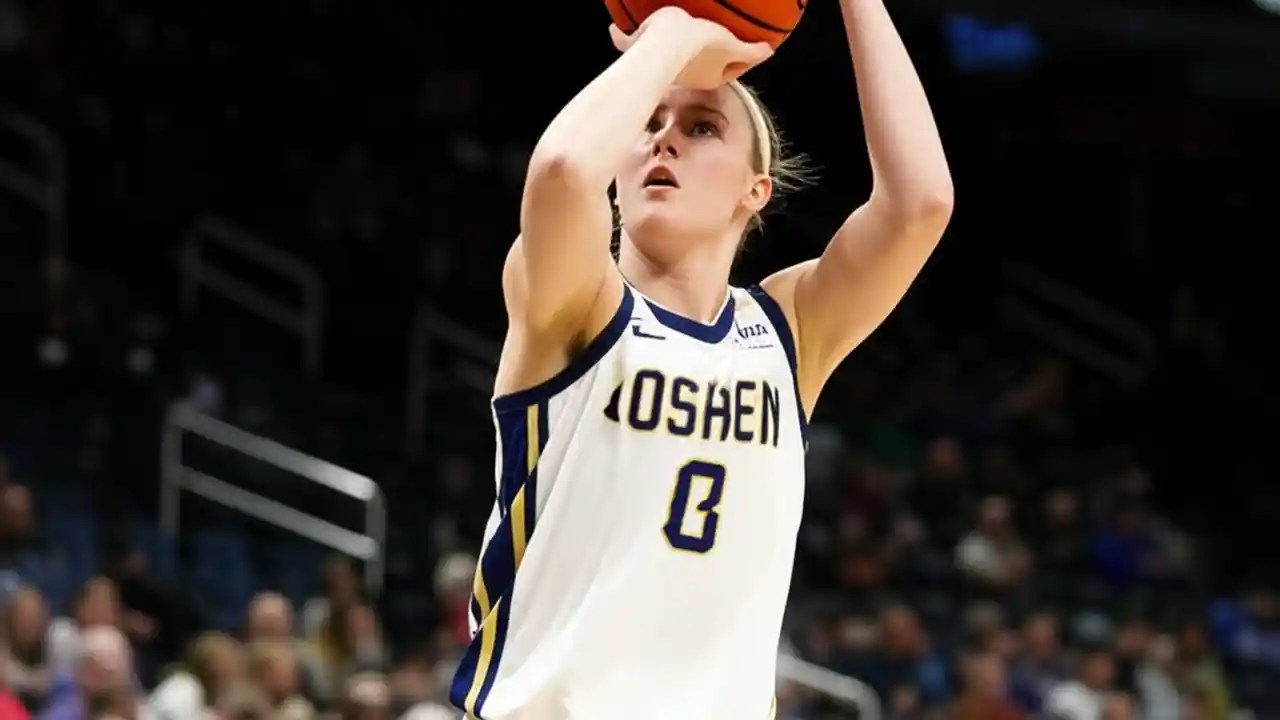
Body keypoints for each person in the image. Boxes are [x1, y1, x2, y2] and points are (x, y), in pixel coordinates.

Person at [449, 2, 952, 718]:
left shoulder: (789, 331)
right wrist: (677, 33)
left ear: (755, 191)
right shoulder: (574, 300)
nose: (663, 142)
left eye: (701, 126)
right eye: (649, 123)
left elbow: (920, 203)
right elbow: (562, 168)